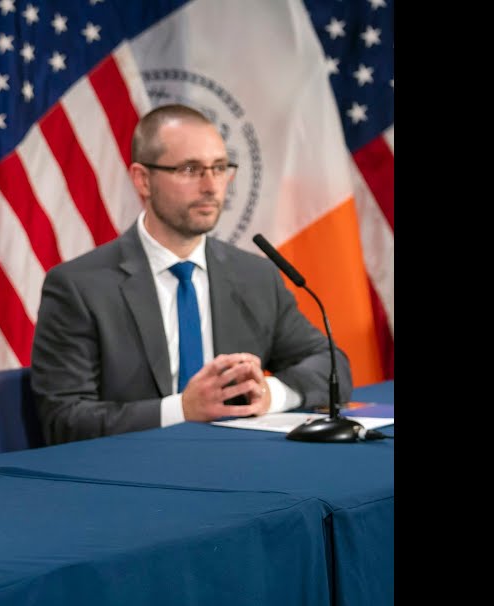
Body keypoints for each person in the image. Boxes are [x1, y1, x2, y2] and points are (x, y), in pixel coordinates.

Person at [29, 104, 352, 444]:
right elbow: (63, 421)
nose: (211, 186)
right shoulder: (80, 287)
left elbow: (333, 367)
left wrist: (268, 393)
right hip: (131, 476)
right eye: (190, 169)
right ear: (143, 179)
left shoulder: (254, 276)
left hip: (240, 467)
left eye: (220, 167)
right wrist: (183, 409)